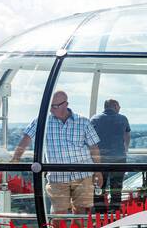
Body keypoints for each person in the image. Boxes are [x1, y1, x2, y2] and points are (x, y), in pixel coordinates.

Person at [11, 90, 102, 218]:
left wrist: (98, 170)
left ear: (66, 104)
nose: (51, 110)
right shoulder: (42, 121)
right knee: (58, 214)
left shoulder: (83, 122)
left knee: (81, 211)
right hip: (57, 176)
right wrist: (15, 160)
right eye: (50, 106)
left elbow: (94, 147)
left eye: (55, 106)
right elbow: (26, 139)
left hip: (83, 174)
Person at [90, 98, 130, 212]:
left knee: (99, 188)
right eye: (119, 106)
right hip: (119, 158)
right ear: (115, 106)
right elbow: (127, 135)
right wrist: (125, 149)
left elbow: (89, 140)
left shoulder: (95, 119)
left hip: (100, 160)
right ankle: (114, 214)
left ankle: (100, 215)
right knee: (116, 188)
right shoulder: (123, 119)